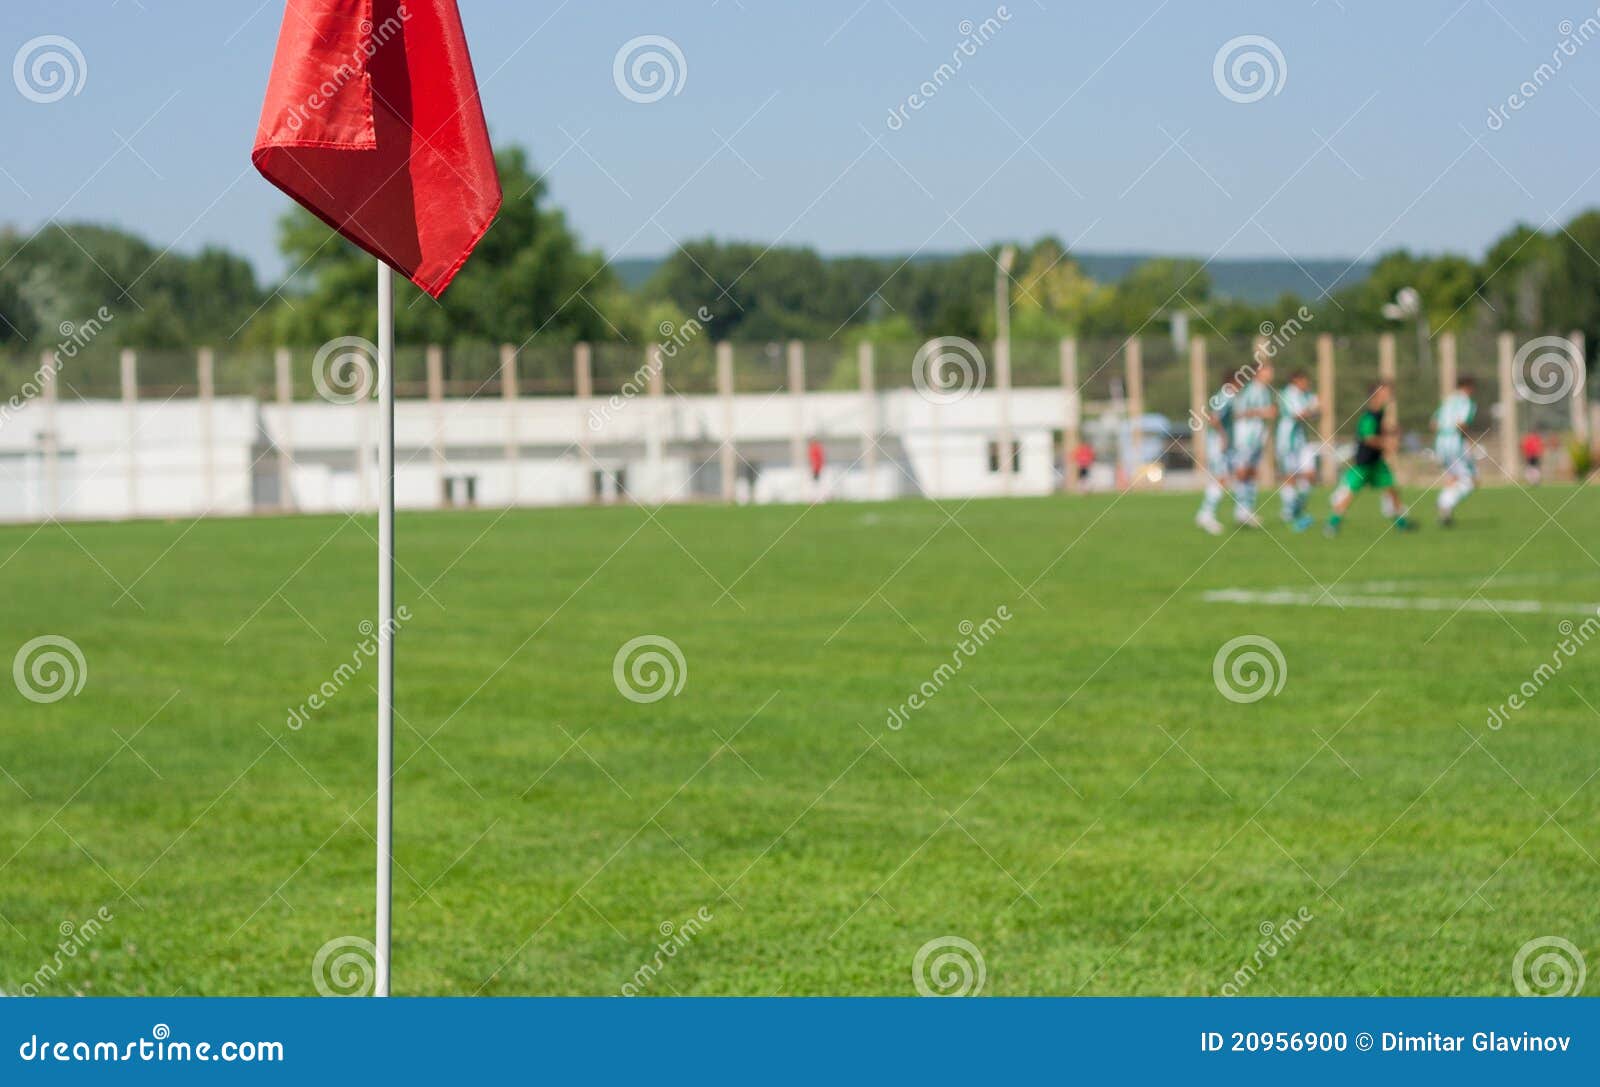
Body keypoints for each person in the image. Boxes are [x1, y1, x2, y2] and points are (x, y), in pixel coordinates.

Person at [1326, 381, 1416, 536]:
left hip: (1377, 463)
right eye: (1385, 393)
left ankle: (1401, 524)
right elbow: (1368, 438)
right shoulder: (1369, 415)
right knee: (1349, 495)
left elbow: (1378, 430)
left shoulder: (1379, 413)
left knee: (1391, 490)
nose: (1389, 395)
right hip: (1364, 463)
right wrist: (1386, 444)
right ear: (1376, 396)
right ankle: (1332, 525)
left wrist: (1390, 430)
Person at [1227, 363, 1277, 528]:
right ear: (1258, 374)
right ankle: (1240, 510)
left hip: (1258, 439)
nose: (1270, 374)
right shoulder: (1250, 390)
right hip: (1245, 438)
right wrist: (1263, 412)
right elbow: (1240, 412)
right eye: (1267, 371)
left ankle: (1247, 510)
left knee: (1252, 473)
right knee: (1242, 472)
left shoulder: (1265, 391)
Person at [1276, 369, 1320, 532]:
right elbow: (1297, 414)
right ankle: (1289, 512)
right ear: (1296, 380)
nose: (1306, 383)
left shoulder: (1306, 394)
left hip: (1302, 441)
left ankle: (1297, 510)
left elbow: (1316, 412)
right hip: (1287, 441)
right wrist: (1312, 409)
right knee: (1290, 477)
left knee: (1309, 476)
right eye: (1304, 380)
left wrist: (1314, 410)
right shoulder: (1286, 394)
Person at [1194, 379, 1238, 535]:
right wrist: (1223, 436)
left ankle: (1206, 513)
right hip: (1217, 445)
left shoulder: (1227, 396)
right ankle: (1205, 514)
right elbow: (1213, 417)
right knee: (1221, 479)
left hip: (1218, 444)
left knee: (1223, 479)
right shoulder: (1226, 395)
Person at [1433, 376, 1478, 527]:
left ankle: (1445, 515)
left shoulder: (1448, 401)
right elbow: (1461, 425)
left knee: (1452, 477)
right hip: (1454, 444)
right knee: (1471, 481)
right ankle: (1445, 502)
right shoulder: (1467, 402)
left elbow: (1433, 424)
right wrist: (1468, 440)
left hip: (1440, 443)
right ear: (1470, 387)